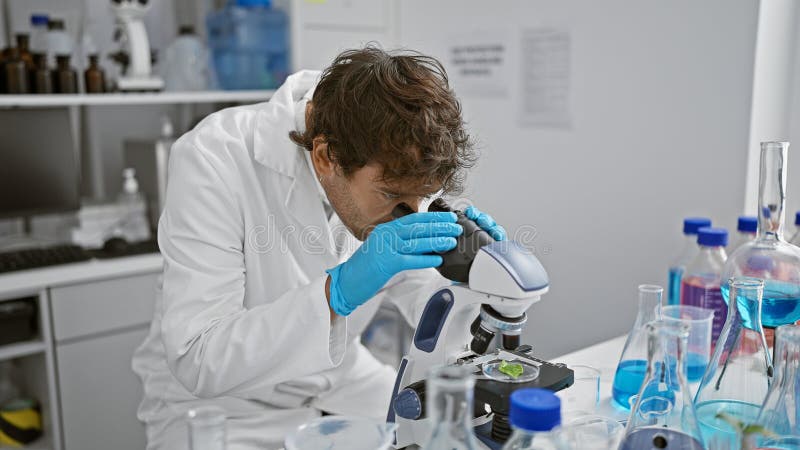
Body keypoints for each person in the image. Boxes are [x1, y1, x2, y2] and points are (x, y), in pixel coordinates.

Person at [131, 45, 507, 450]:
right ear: (327, 157)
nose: (410, 214)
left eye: (424, 197)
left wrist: (472, 282)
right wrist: (335, 294)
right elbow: (198, 357)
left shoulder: (395, 165)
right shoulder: (213, 158)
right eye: (392, 195)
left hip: (341, 382)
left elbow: (432, 308)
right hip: (226, 407)